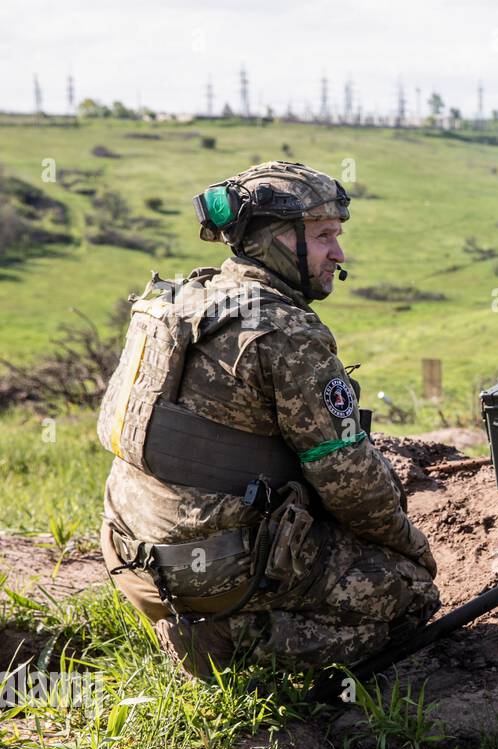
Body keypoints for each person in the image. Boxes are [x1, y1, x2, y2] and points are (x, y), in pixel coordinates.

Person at [97, 161, 439, 679]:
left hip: (133, 555)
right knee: (410, 587)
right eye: (324, 237)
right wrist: (411, 544)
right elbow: (350, 485)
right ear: (277, 241)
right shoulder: (287, 334)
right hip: (215, 570)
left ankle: (199, 624)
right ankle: (239, 646)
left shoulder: (175, 301)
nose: (338, 254)